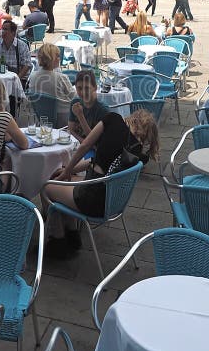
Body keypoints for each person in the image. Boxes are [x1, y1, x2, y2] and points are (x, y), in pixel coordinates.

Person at [42, 109, 159, 257]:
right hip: (111, 201)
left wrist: (67, 171)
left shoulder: (113, 119)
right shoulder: (136, 151)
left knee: (46, 186)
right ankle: (71, 232)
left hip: (91, 199)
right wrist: (68, 171)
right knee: (67, 180)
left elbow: (85, 146)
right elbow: (95, 160)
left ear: (132, 118)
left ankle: (57, 239)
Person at [28, 43, 75, 127]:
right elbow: (74, 97)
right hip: (63, 119)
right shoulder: (61, 78)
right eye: (57, 56)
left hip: (41, 118)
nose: (59, 58)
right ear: (51, 58)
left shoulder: (32, 76)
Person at [0, 20, 32, 86]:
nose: (2, 31)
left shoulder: (22, 45)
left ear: (13, 33)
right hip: (1, 78)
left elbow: (27, 66)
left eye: (5, 29)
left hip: (18, 78)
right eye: (2, 29)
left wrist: (16, 80)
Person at [68, 70, 109, 142]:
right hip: (76, 144)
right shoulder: (75, 103)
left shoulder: (102, 110)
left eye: (86, 88)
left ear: (95, 87)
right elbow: (71, 130)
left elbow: (94, 141)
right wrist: (82, 142)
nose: (83, 92)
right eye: (79, 88)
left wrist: (80, 116)